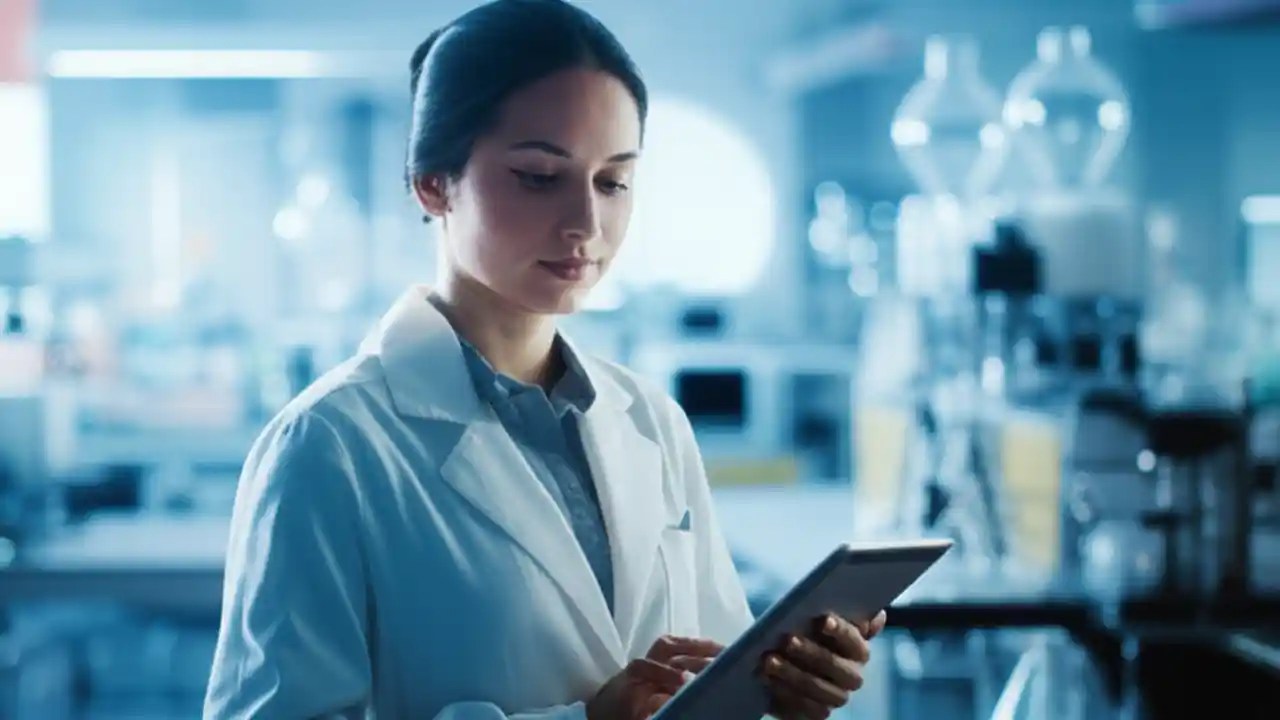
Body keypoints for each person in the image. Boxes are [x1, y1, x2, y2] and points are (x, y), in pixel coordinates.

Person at [204, 1, 886, 718]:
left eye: (613, 181)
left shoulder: (652, 420)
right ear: (433, 183)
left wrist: (783, 694)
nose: (587, 225)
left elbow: (709, 691)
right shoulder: (327, 446)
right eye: (538, 176)